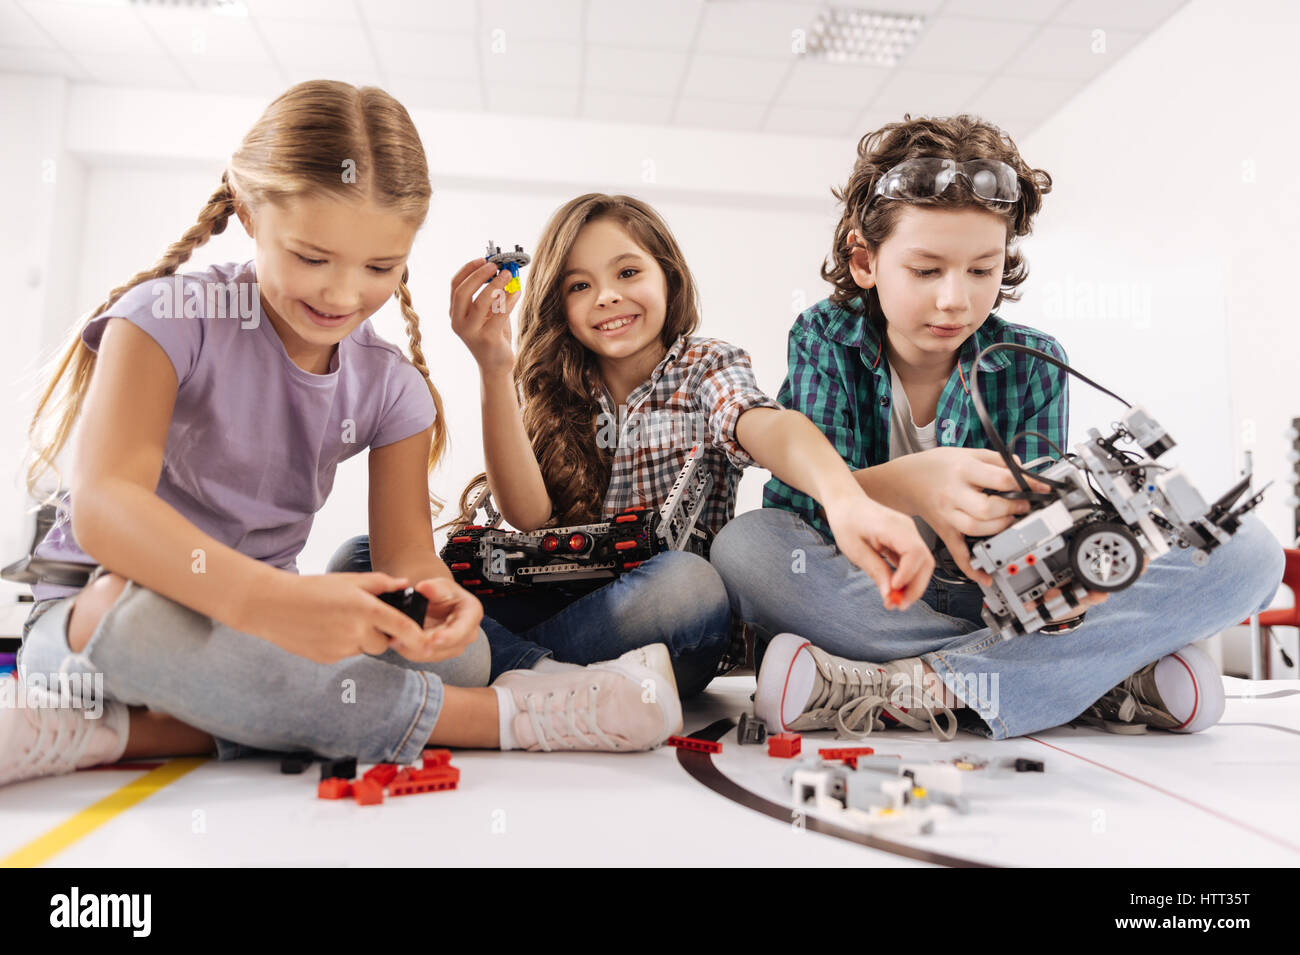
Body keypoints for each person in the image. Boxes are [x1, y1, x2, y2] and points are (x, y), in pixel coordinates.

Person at [2, 82, 682, 791]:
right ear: (247, 213)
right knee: (133, 617)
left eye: (379, 268)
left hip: (250, 648)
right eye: (311, 257)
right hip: (101, 622)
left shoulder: (392, 388)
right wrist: (271, 603)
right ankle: (507, 720)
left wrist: (441, 604)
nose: (341, 294)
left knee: (460, 657)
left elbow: (409, 555)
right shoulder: (167, 316)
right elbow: (106, 505)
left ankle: (116, 732)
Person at [710, 114, 1284, 742]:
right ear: (864, 260)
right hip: (878, 597)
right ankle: (1090, 678)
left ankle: (911, 686)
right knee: (749, 548)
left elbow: (1037, 519)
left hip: (994, 604)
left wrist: (1068, 565)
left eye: (981, 270)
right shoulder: (825, 335)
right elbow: (812, 501)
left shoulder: (1034, 360)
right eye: (926, 271)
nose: (955, 299)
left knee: (1249, 552)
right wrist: (915, 482)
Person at [331, 194, 930, 700]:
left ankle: (499, 669)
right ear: (560, 306)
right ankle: (537, 676)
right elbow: (528, 515)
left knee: (691, 583)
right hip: (553, 606)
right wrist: (493, 364)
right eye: (580, 285)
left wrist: (842, 496)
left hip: (655, 619)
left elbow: (763, 424)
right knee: (363, 559)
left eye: (627, 273)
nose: (607, 297)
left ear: (667, 275)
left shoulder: (705, 365)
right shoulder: (552, 387)